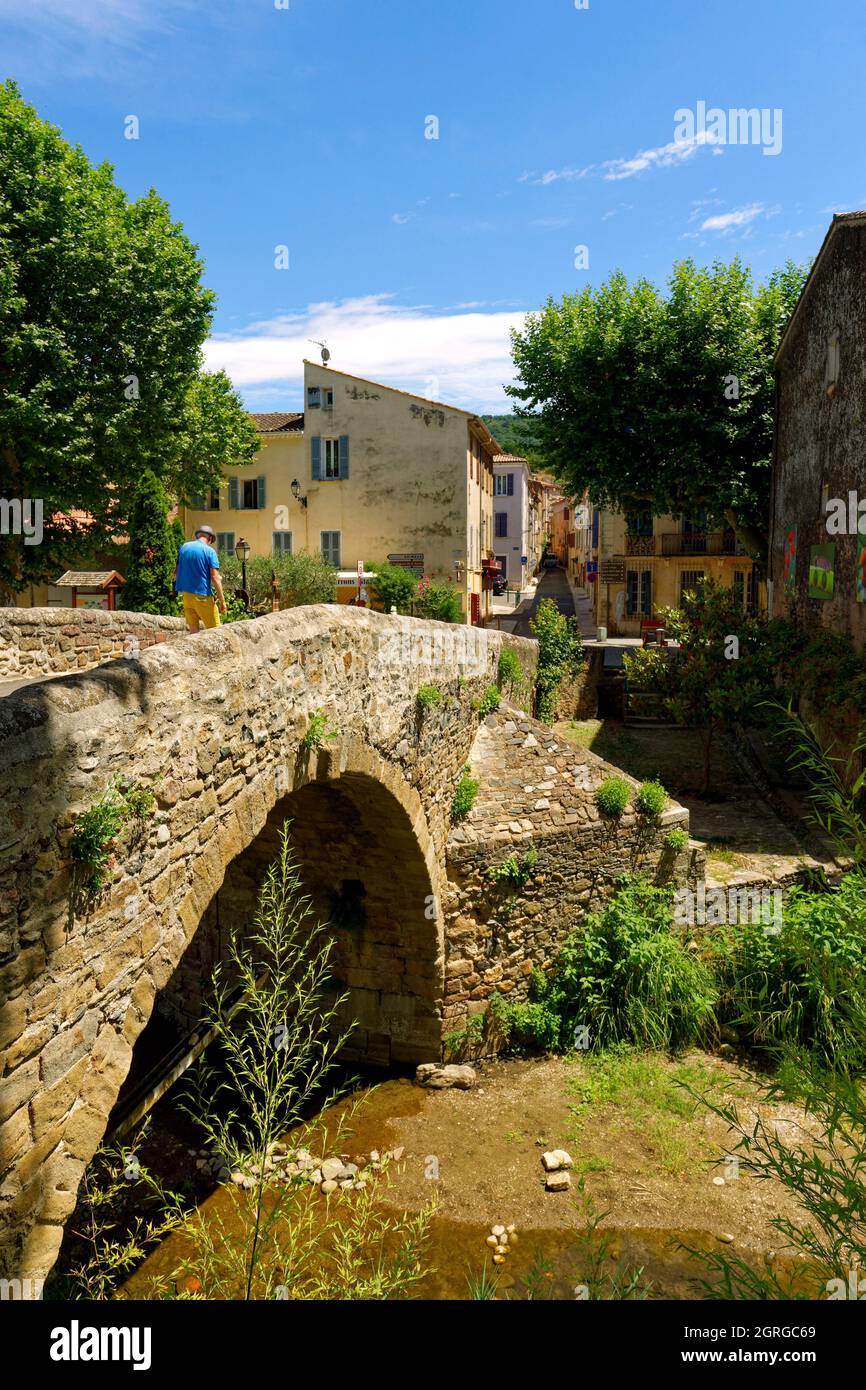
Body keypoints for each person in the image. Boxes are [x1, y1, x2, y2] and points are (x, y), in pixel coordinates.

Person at [175, 525, 227, 632]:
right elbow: (215, 577)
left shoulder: (184, 547)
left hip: (186, 595)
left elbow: (176, 572)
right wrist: (222, 601)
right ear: (210, 538)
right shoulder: (209, 551)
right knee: (216, 631)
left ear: (198, 536)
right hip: (202, 596)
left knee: (194, 632)